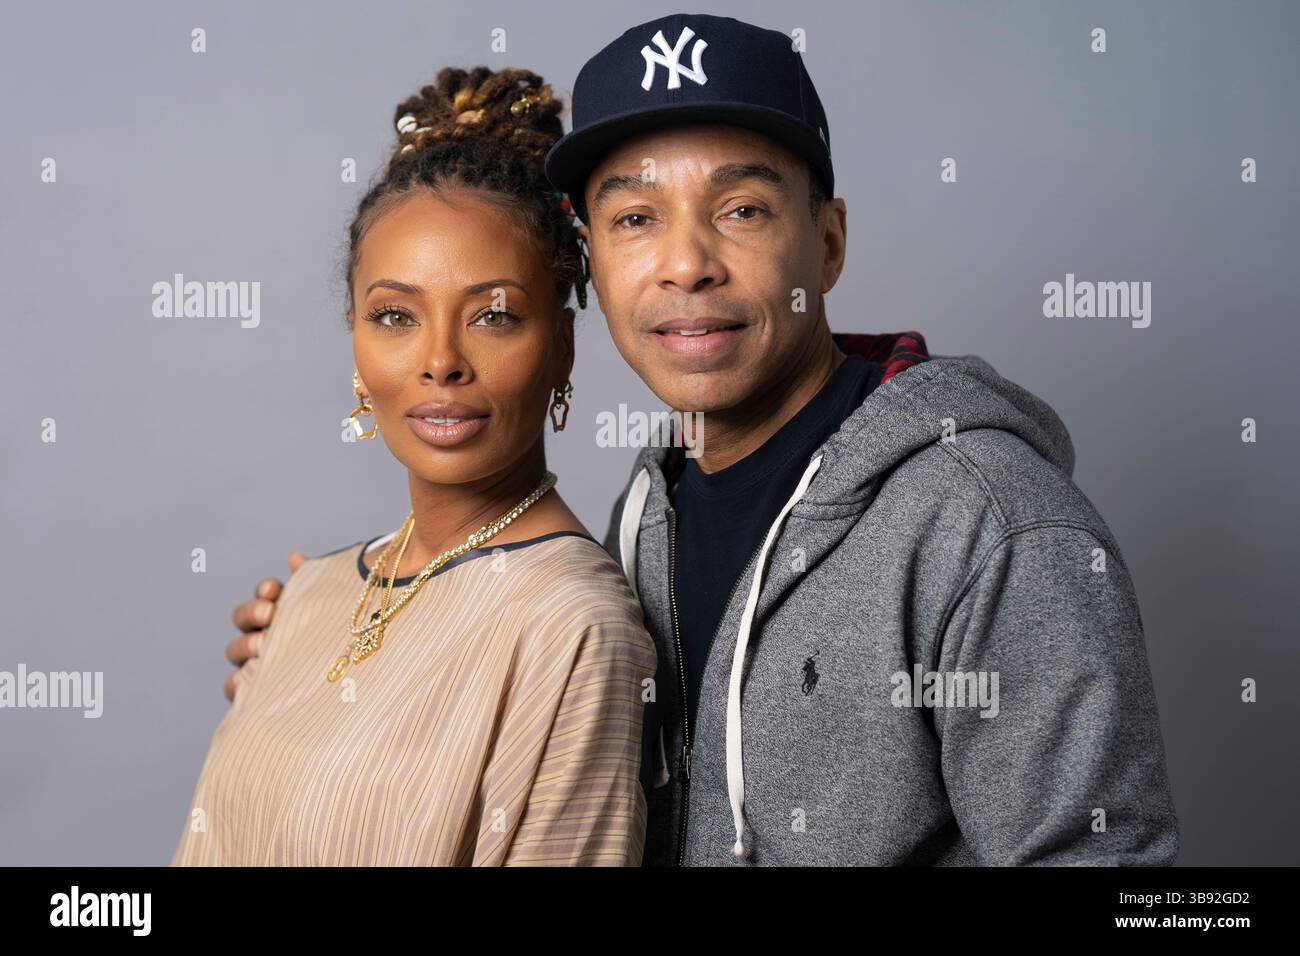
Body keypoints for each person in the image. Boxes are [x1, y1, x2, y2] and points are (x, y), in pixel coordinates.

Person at [227, 14, 1179, 866]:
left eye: (741, 210)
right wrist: (330, 662)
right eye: (636, 218)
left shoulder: (989, 522)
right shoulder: (652, 512)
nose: (686, 263)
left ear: (829, 241)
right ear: (593, 267)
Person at [174, 66, 656, 866]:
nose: (440, 361)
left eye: (494, 317)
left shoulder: (574, 627)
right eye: (395, 316)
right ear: (356, 342)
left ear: (563, 348)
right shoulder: (311, 593)